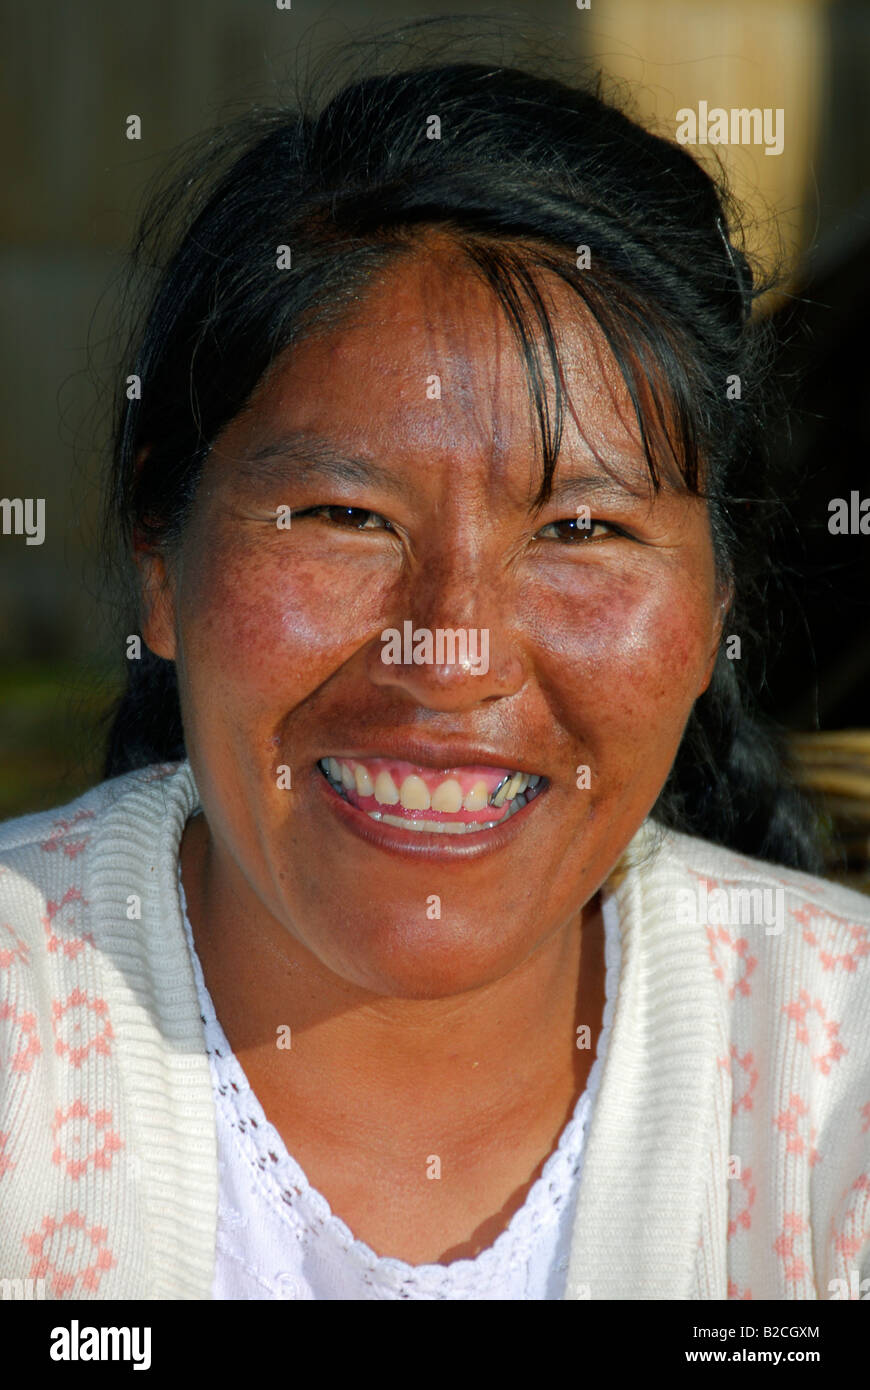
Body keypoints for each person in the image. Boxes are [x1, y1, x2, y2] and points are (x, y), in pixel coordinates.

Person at [1, 55, 868, 1302]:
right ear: (160, 553)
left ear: (715, 600)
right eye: (344, 514)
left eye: (581, 531)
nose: (450, 654)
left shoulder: (840, 1099)